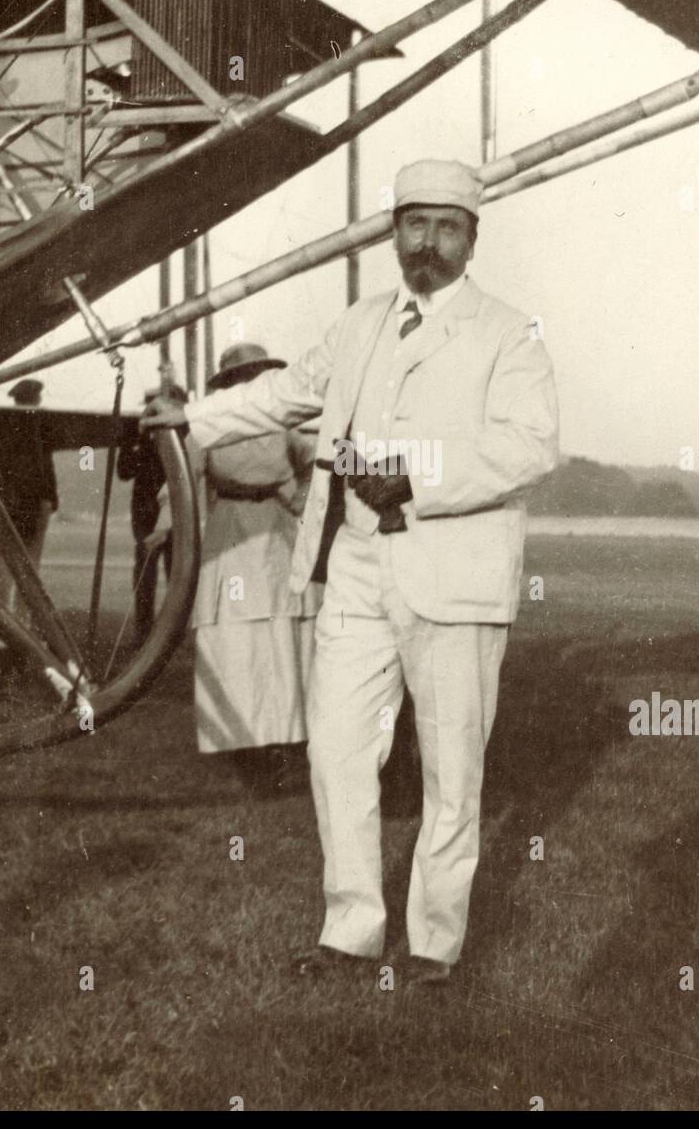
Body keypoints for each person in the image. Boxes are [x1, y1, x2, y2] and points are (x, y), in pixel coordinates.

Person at [143, 159, 559, 987]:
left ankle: (435, 945)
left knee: (450, 769)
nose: (427, 244)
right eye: (413, 225)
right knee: (335, 750)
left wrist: (417, 474)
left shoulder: (509, 333)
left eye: (446, 227)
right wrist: (191, 413)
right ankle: (351, 931)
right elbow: (284, 395)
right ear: (391, 233)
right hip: (358, 566)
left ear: (472, 238)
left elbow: (529, 445)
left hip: (455, 573)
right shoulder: (362, 323)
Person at [192, 343, 321, 792]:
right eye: (240, 377)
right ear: (226, 383)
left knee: (284, 634)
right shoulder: (206, 427)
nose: (248, 383)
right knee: (236, 636)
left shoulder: (282, 423)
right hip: (231, 535)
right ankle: (248, 745)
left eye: (256, 375)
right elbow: (182, 484)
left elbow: (315, 465)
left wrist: (300, 500)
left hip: (278, 532)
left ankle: (290, 738)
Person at [117, 384, 188, 646]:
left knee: (176, 569)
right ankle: (144, 630)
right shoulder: (136, 435)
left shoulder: (184, 433)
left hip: (177, 507)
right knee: (146, 570)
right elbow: (124, 471)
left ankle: (173, 631)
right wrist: (136, 442)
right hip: (146, 509)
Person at [0, 378, 58, 634]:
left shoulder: (3, 427)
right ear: (33, 399)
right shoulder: (37, 428)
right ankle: (16, 625)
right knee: (23, 568)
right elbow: (44, 469)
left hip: (17, 506)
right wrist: (50, 499)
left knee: (8, 568)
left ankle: (6, 627)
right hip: (24, 506)